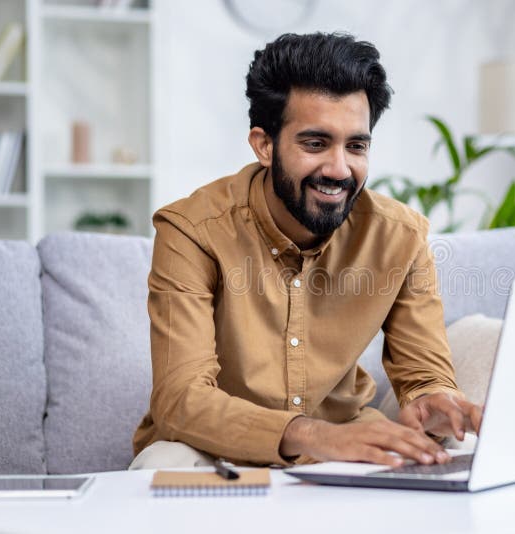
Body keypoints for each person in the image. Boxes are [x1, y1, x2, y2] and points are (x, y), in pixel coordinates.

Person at [130, 32, 482, 470]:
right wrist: (315, 435)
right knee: (163, 464)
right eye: (315, 144)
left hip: (343, 450)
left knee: (454, 452)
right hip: (219, 453)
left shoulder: (400, 237)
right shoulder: (192, 231)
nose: (338, 169)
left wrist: (433, 401)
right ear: (264, 144)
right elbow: (181, 399)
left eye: (356, 146)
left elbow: (423, 373)